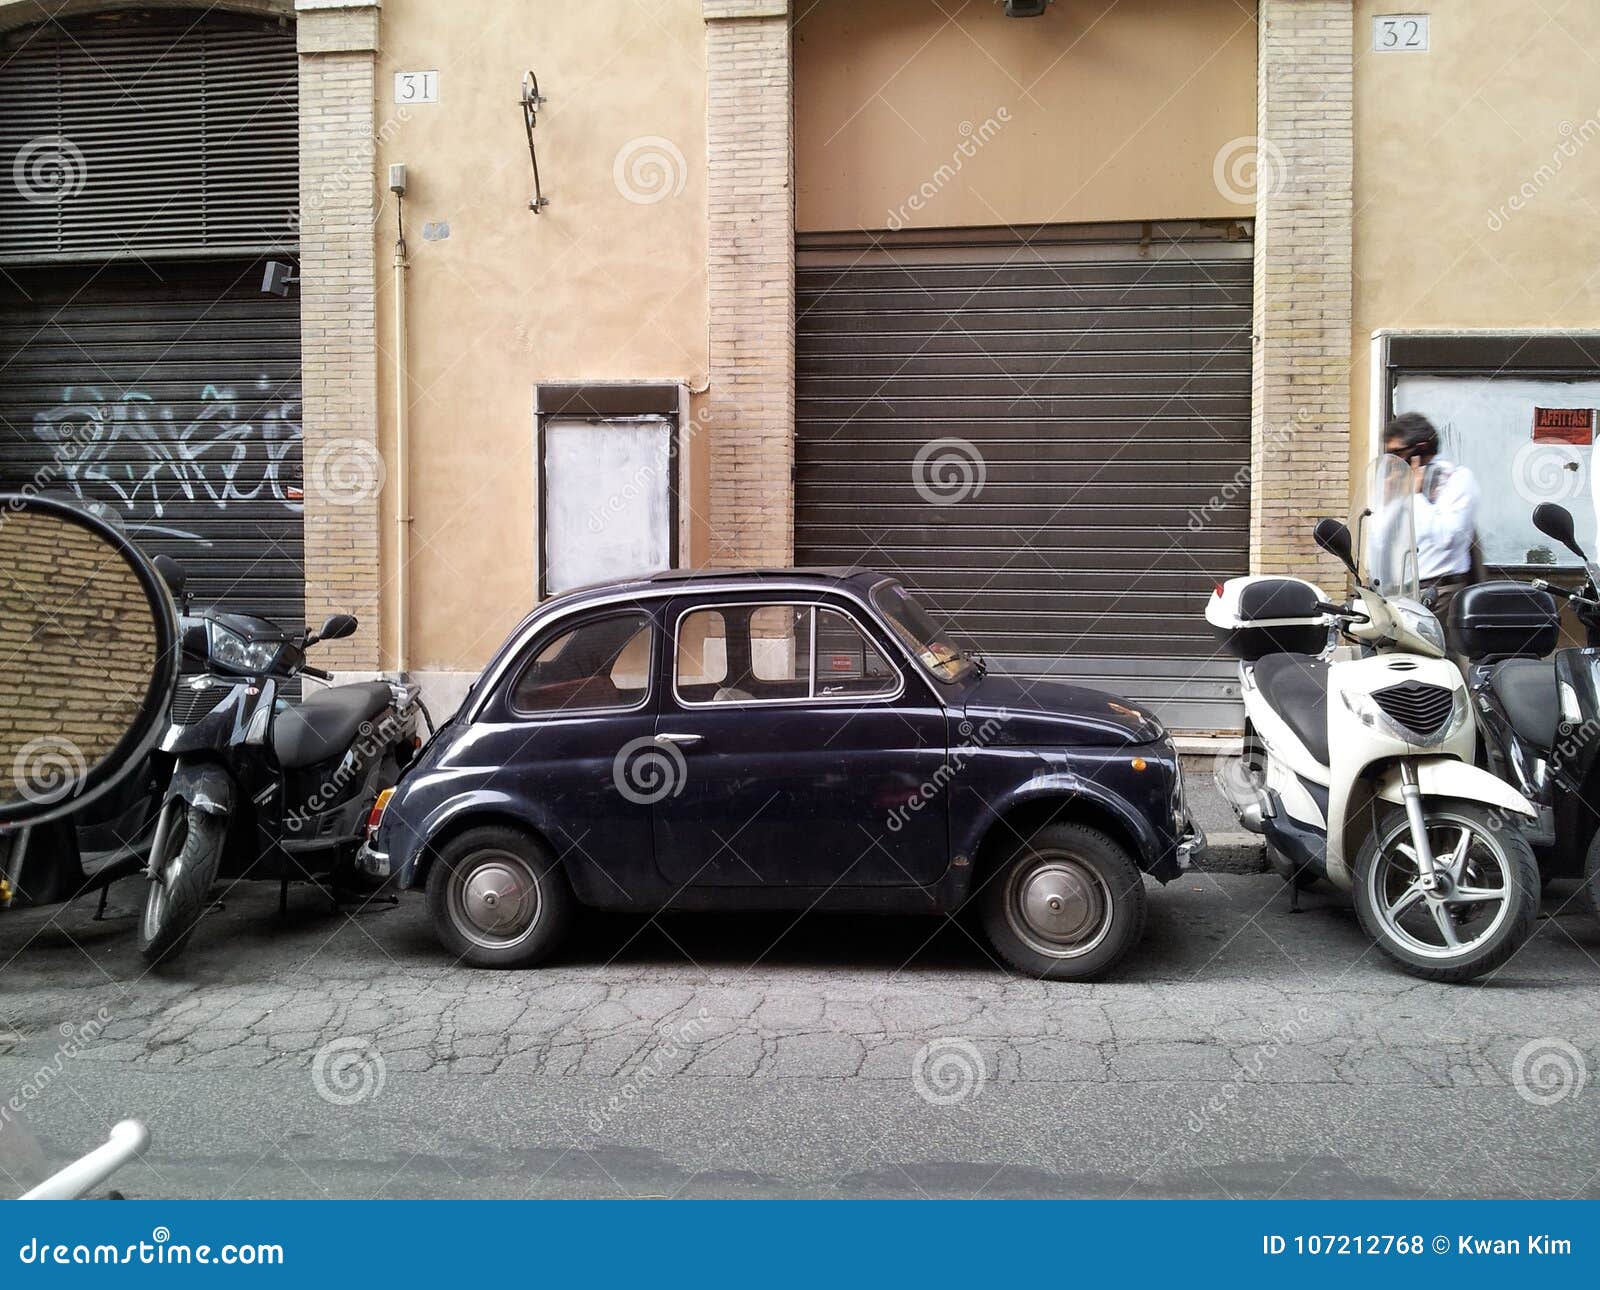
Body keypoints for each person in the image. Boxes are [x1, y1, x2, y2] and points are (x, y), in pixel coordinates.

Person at [1383, 412, 1478, 620]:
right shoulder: (1398, 484)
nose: (1393, 462)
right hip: (1400, 593)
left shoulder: (1456, 479)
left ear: (1420, 450)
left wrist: (1416, 496)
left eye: (1398, 454)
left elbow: (1446, 538)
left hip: (1441, 593)